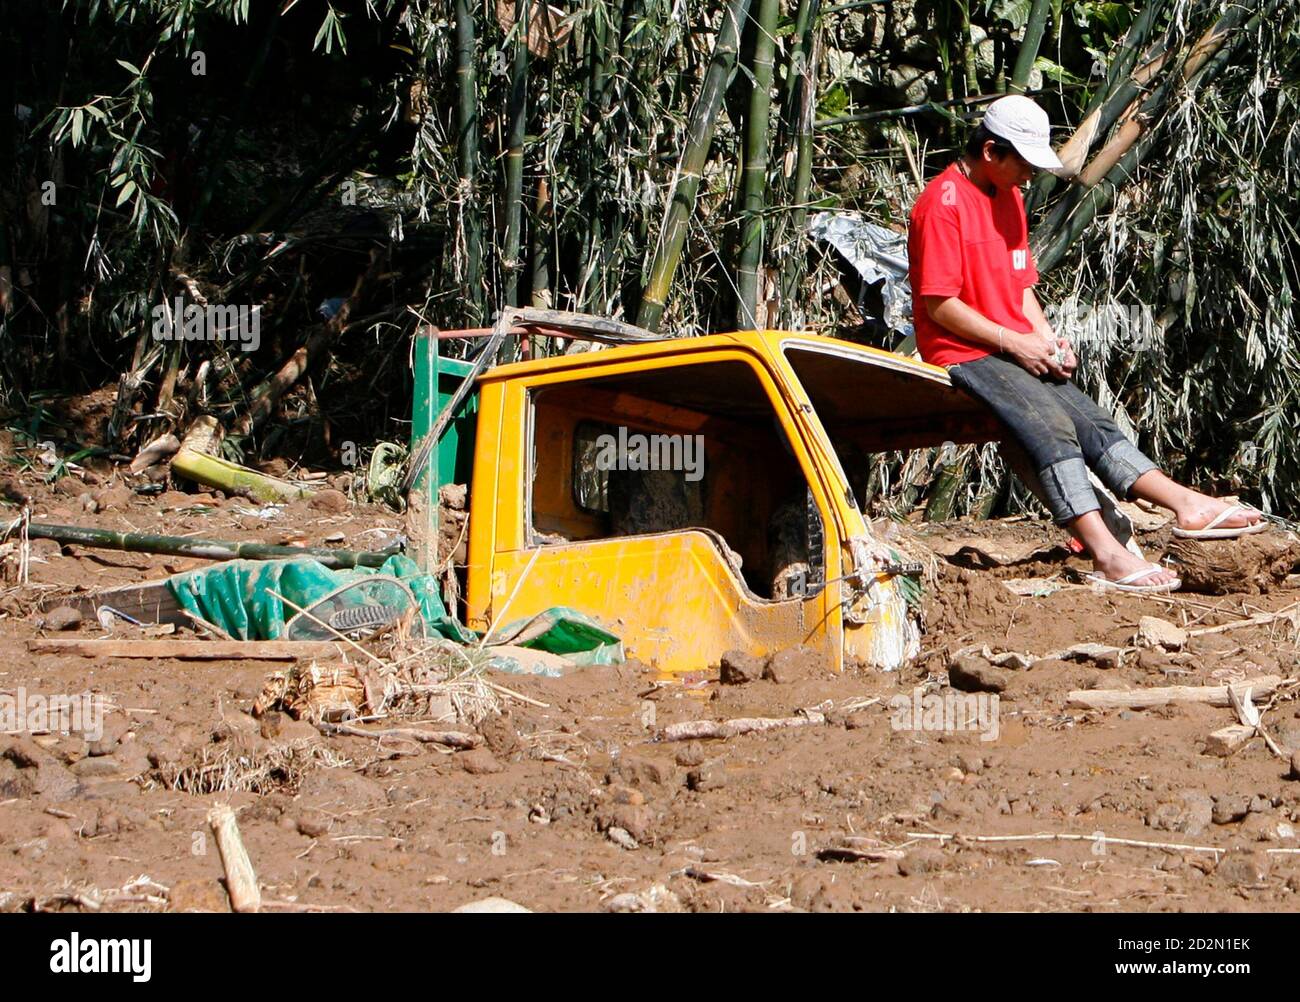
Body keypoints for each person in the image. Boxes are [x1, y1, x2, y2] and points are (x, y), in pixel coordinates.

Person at [907, 94, 1264, 593]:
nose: (1031, 176)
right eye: (1025, 164)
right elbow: (940, 307)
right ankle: (1106, 554)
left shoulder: (1008, 196)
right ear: (990, 152)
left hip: (1013, 345)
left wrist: (1047, 339)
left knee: (1092, 422)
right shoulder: (941, 205)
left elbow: (1020, 284)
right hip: (965, 351)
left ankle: (1187, 505)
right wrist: (1016, 341)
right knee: (1050, 431)